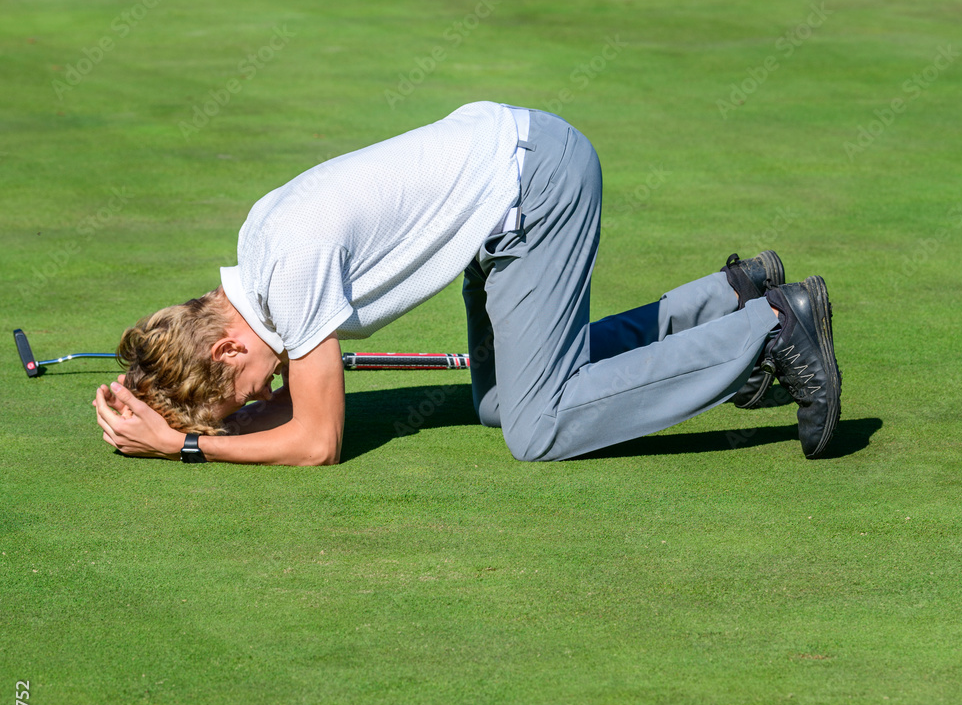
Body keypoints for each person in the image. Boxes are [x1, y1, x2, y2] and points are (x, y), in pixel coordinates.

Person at [93, 101, 841, 465]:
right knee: (499, 403)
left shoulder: (287, 276)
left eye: (247, 389)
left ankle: (770, 330)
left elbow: (317, 439)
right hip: (509, 183)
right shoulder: (256, 250)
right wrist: (178, 409)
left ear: (225, 349)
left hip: (536, 183)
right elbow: (286, 412)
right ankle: (728, 299)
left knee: (536, 428)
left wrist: (183, 447)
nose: (264, 394)